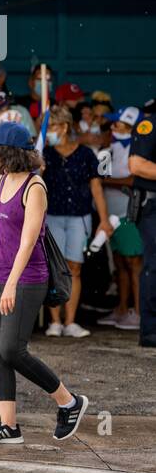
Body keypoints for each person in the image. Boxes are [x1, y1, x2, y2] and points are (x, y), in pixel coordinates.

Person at [0, 122, 90, 444]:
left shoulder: (35, 188)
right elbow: (4, 230)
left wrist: (13, 284)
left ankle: (68, 402)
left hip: (27, 279)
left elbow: (28, 241)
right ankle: (9, 426)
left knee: (12, 349)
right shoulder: (2, 180)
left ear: (7, 152)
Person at [42, 105, 111, 338]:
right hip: (51, 216)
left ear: (64, 127)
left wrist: (103, 220)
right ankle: (54, 322)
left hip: (79, 217)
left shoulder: (85, 154)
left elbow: (96, 188)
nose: (47, 131)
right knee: (54, 269)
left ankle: (70, 321)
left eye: (50, 126)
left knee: (75, 268)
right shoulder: (44, 155)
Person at [99, 106, 144, 330]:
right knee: (119, 262)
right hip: (110, 213)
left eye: (117, 124)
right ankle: (122, 309)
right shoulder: (108, 147)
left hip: (130, 212)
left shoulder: (140, 147)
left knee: (134, 263)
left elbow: (132, 180)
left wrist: (104, 182)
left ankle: (138, 311)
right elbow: (101, 174)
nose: (113, 127)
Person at [128, 104, 156, 347]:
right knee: (154, 265)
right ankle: (151, 330)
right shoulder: (150, 124)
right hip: (152, 207)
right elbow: (136, 165)